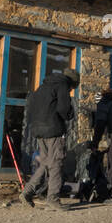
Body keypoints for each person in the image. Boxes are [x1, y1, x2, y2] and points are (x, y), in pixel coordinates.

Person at [20, 67, 78, 208]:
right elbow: (63, 109)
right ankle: (53, 199)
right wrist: (70, 114)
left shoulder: (42, 87)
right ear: (72, 82)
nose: (71, 90)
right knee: (56, 163)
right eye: (72, 88)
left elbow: (31, 108)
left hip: (37, 129)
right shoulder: (63, 85)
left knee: (46, 162)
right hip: (53, 129)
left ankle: (27, 192)